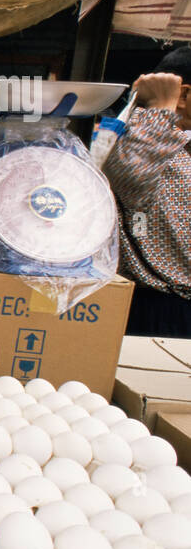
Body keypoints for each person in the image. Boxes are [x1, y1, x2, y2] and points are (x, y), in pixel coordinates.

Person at [103, 47, 191, 337]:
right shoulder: (145, 139)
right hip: (162, 309)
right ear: (184, 96)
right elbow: (133, 177)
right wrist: (161, 105)